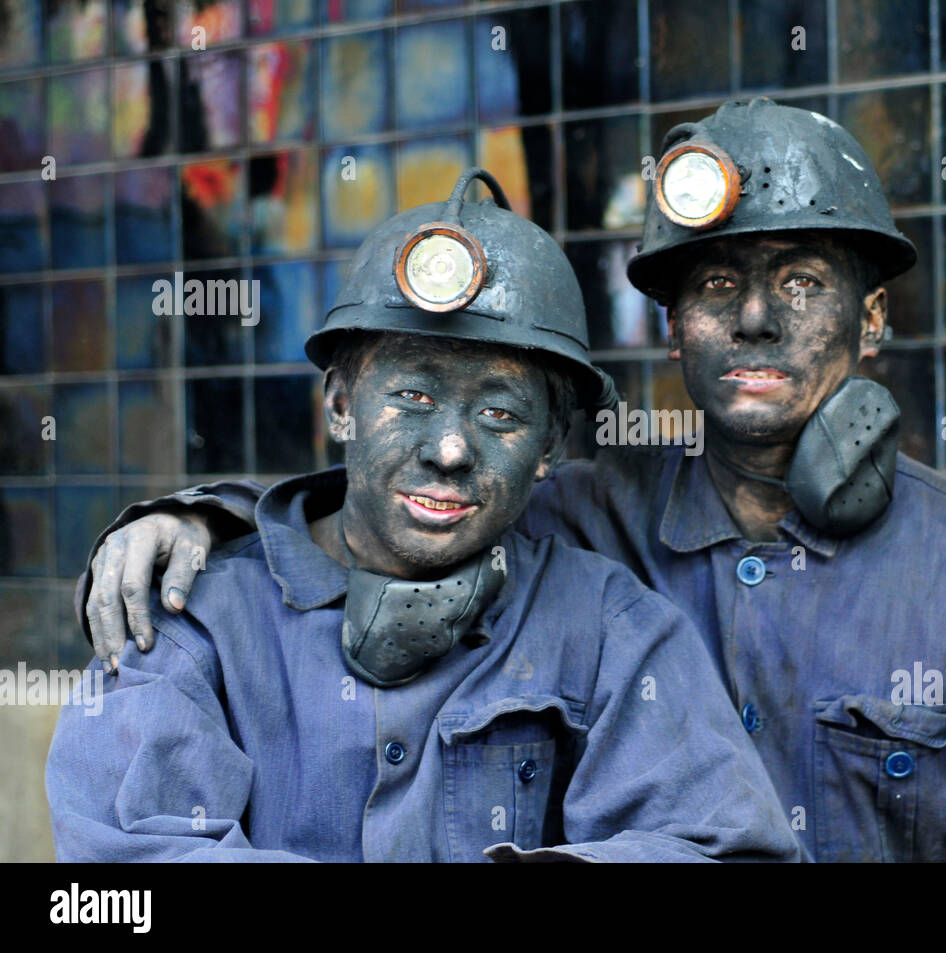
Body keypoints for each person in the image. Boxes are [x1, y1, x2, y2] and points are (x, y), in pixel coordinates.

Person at [75, 100, 946, 862]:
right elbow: (390, 496)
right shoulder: (575, 517)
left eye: (801, 280)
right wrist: (194, 517)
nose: (753, 317)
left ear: (873, 318)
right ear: (671, 331)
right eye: (716, 284)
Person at [45, 168, 799, 863]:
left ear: (546, 449)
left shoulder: (610, 628)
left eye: (501, 413)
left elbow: (720, 847)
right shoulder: (193, 619)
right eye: (411, 395)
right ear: (341, 403)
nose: (448, 449)